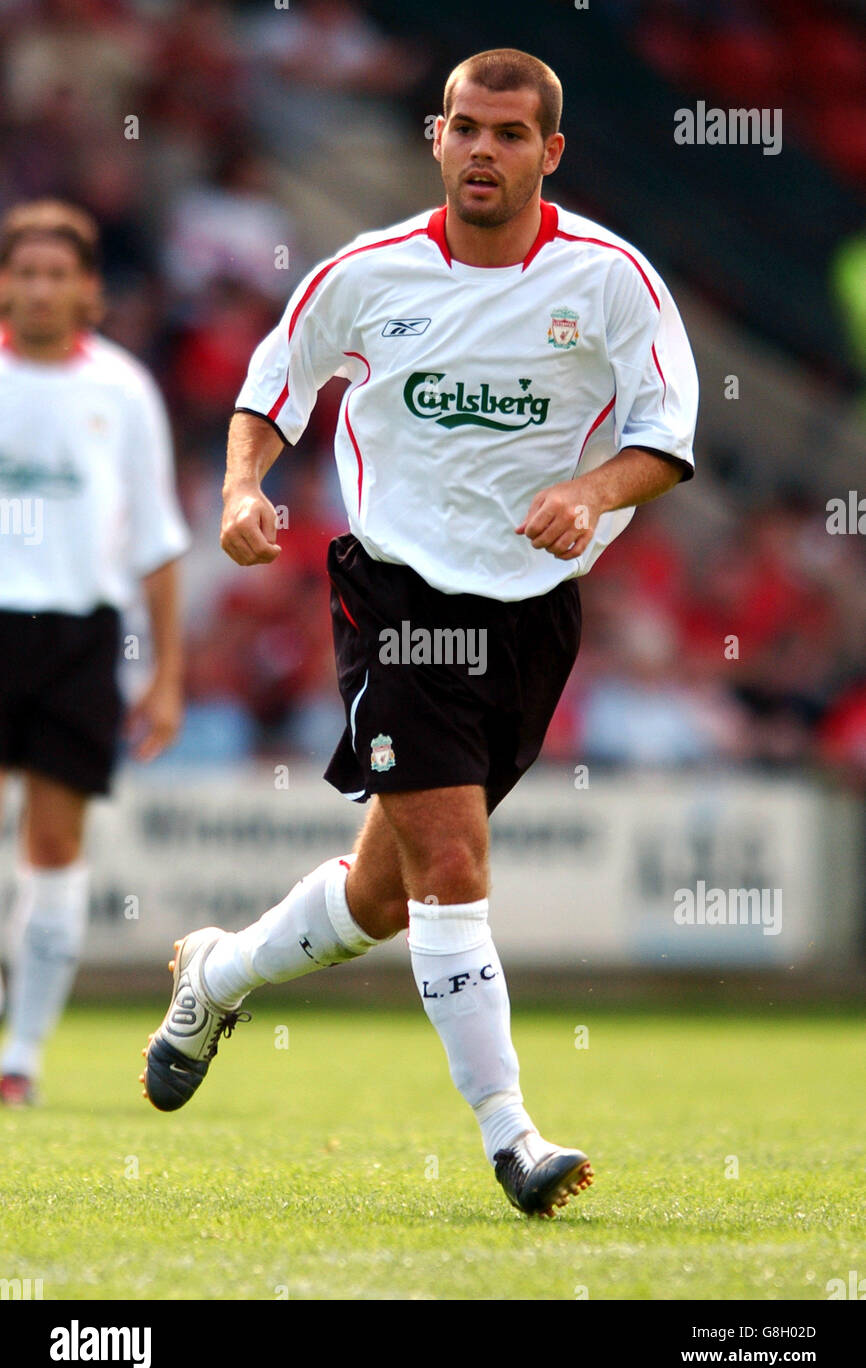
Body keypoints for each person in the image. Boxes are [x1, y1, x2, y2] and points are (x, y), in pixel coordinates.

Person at [142, 48, 698, 1217]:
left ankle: (218, 971)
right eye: (464, 128)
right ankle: (514, 1139)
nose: (483, 150)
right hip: (397, 596)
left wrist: (595, 492)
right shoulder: (362, 274)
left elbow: (666, 430)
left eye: (509, 133)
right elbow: (268, 389)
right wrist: (245, 489)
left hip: (533, 610)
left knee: (386, 894)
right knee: (452, 864)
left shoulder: (609, 281)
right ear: (433, 138)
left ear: (549, 152)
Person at [0, 200, 189, 1106]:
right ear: (6, 283)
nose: (38, 288)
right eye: (23, 271)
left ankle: (21, 1058)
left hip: (79, 636)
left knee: (53, 846)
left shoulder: (121, 388)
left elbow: (157, 538)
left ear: (87, 290)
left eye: (55, 273)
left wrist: (166, 675)